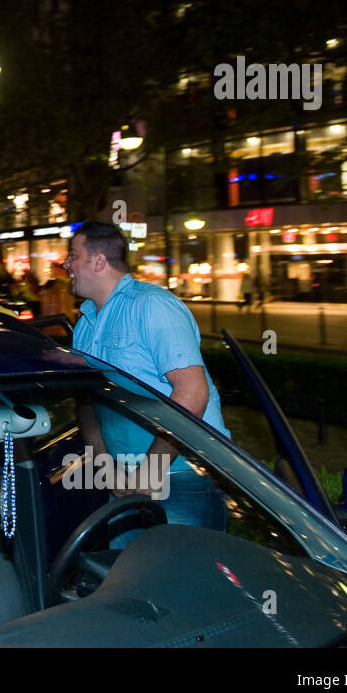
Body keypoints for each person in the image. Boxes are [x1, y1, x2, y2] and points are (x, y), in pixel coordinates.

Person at [64, 221, 230, 540]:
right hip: (125, 481)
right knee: (129, 581)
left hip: (184, 475)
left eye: (73, 255)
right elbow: (87, 404)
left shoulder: (152, 305)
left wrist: (149, 472)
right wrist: (105, 467)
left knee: (181, 582)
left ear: (98, 261)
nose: (66, 264)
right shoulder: (85, 324)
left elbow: (193, 394)